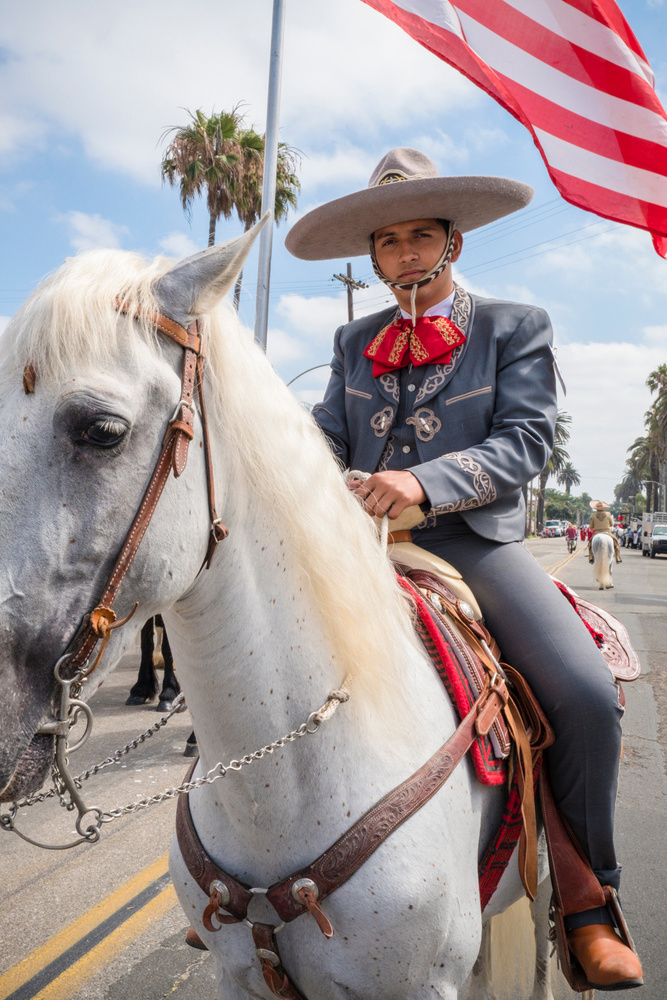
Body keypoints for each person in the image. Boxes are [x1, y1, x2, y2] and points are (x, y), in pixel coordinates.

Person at [286, 148, 642, 990]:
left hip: (470, 546)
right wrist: (311, 464)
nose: (404, 252)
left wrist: (420, 480)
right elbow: (327, 435)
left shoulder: (511, 326)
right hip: (359, 546)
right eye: (388, 241)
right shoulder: (352, 341)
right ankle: (235, 876)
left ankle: (588, 900)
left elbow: (525, 442)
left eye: (419, 235)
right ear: (370, 259)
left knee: (584, 695)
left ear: (452, 242)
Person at [589, 500, 622, 564]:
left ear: (596, 508)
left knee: (590, 545)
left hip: (597, 532)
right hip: (607, 532)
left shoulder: (593, 515)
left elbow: (591, 526)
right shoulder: (608, 514)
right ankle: (617, 557)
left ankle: (591, 557)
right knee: (616, 543)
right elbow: (611, 524)